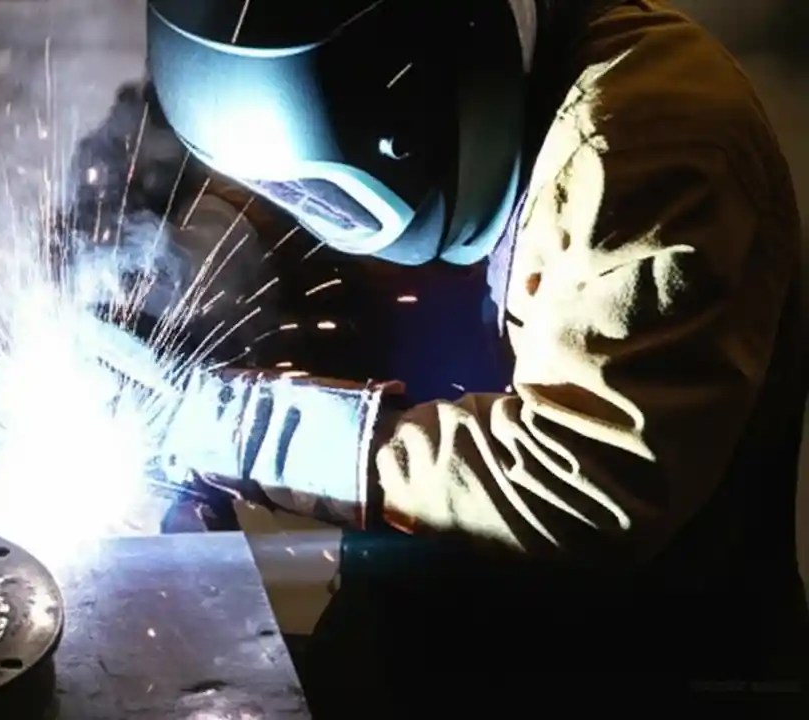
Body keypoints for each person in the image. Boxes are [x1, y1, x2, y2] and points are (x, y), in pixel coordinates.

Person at [143, 0, 808, 714]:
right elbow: (298, 163)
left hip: (636, 673)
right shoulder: (408, 97)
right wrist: (187, 267)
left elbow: (588, 479)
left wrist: (251, 433)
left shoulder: (651, 137)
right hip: (422, 637)